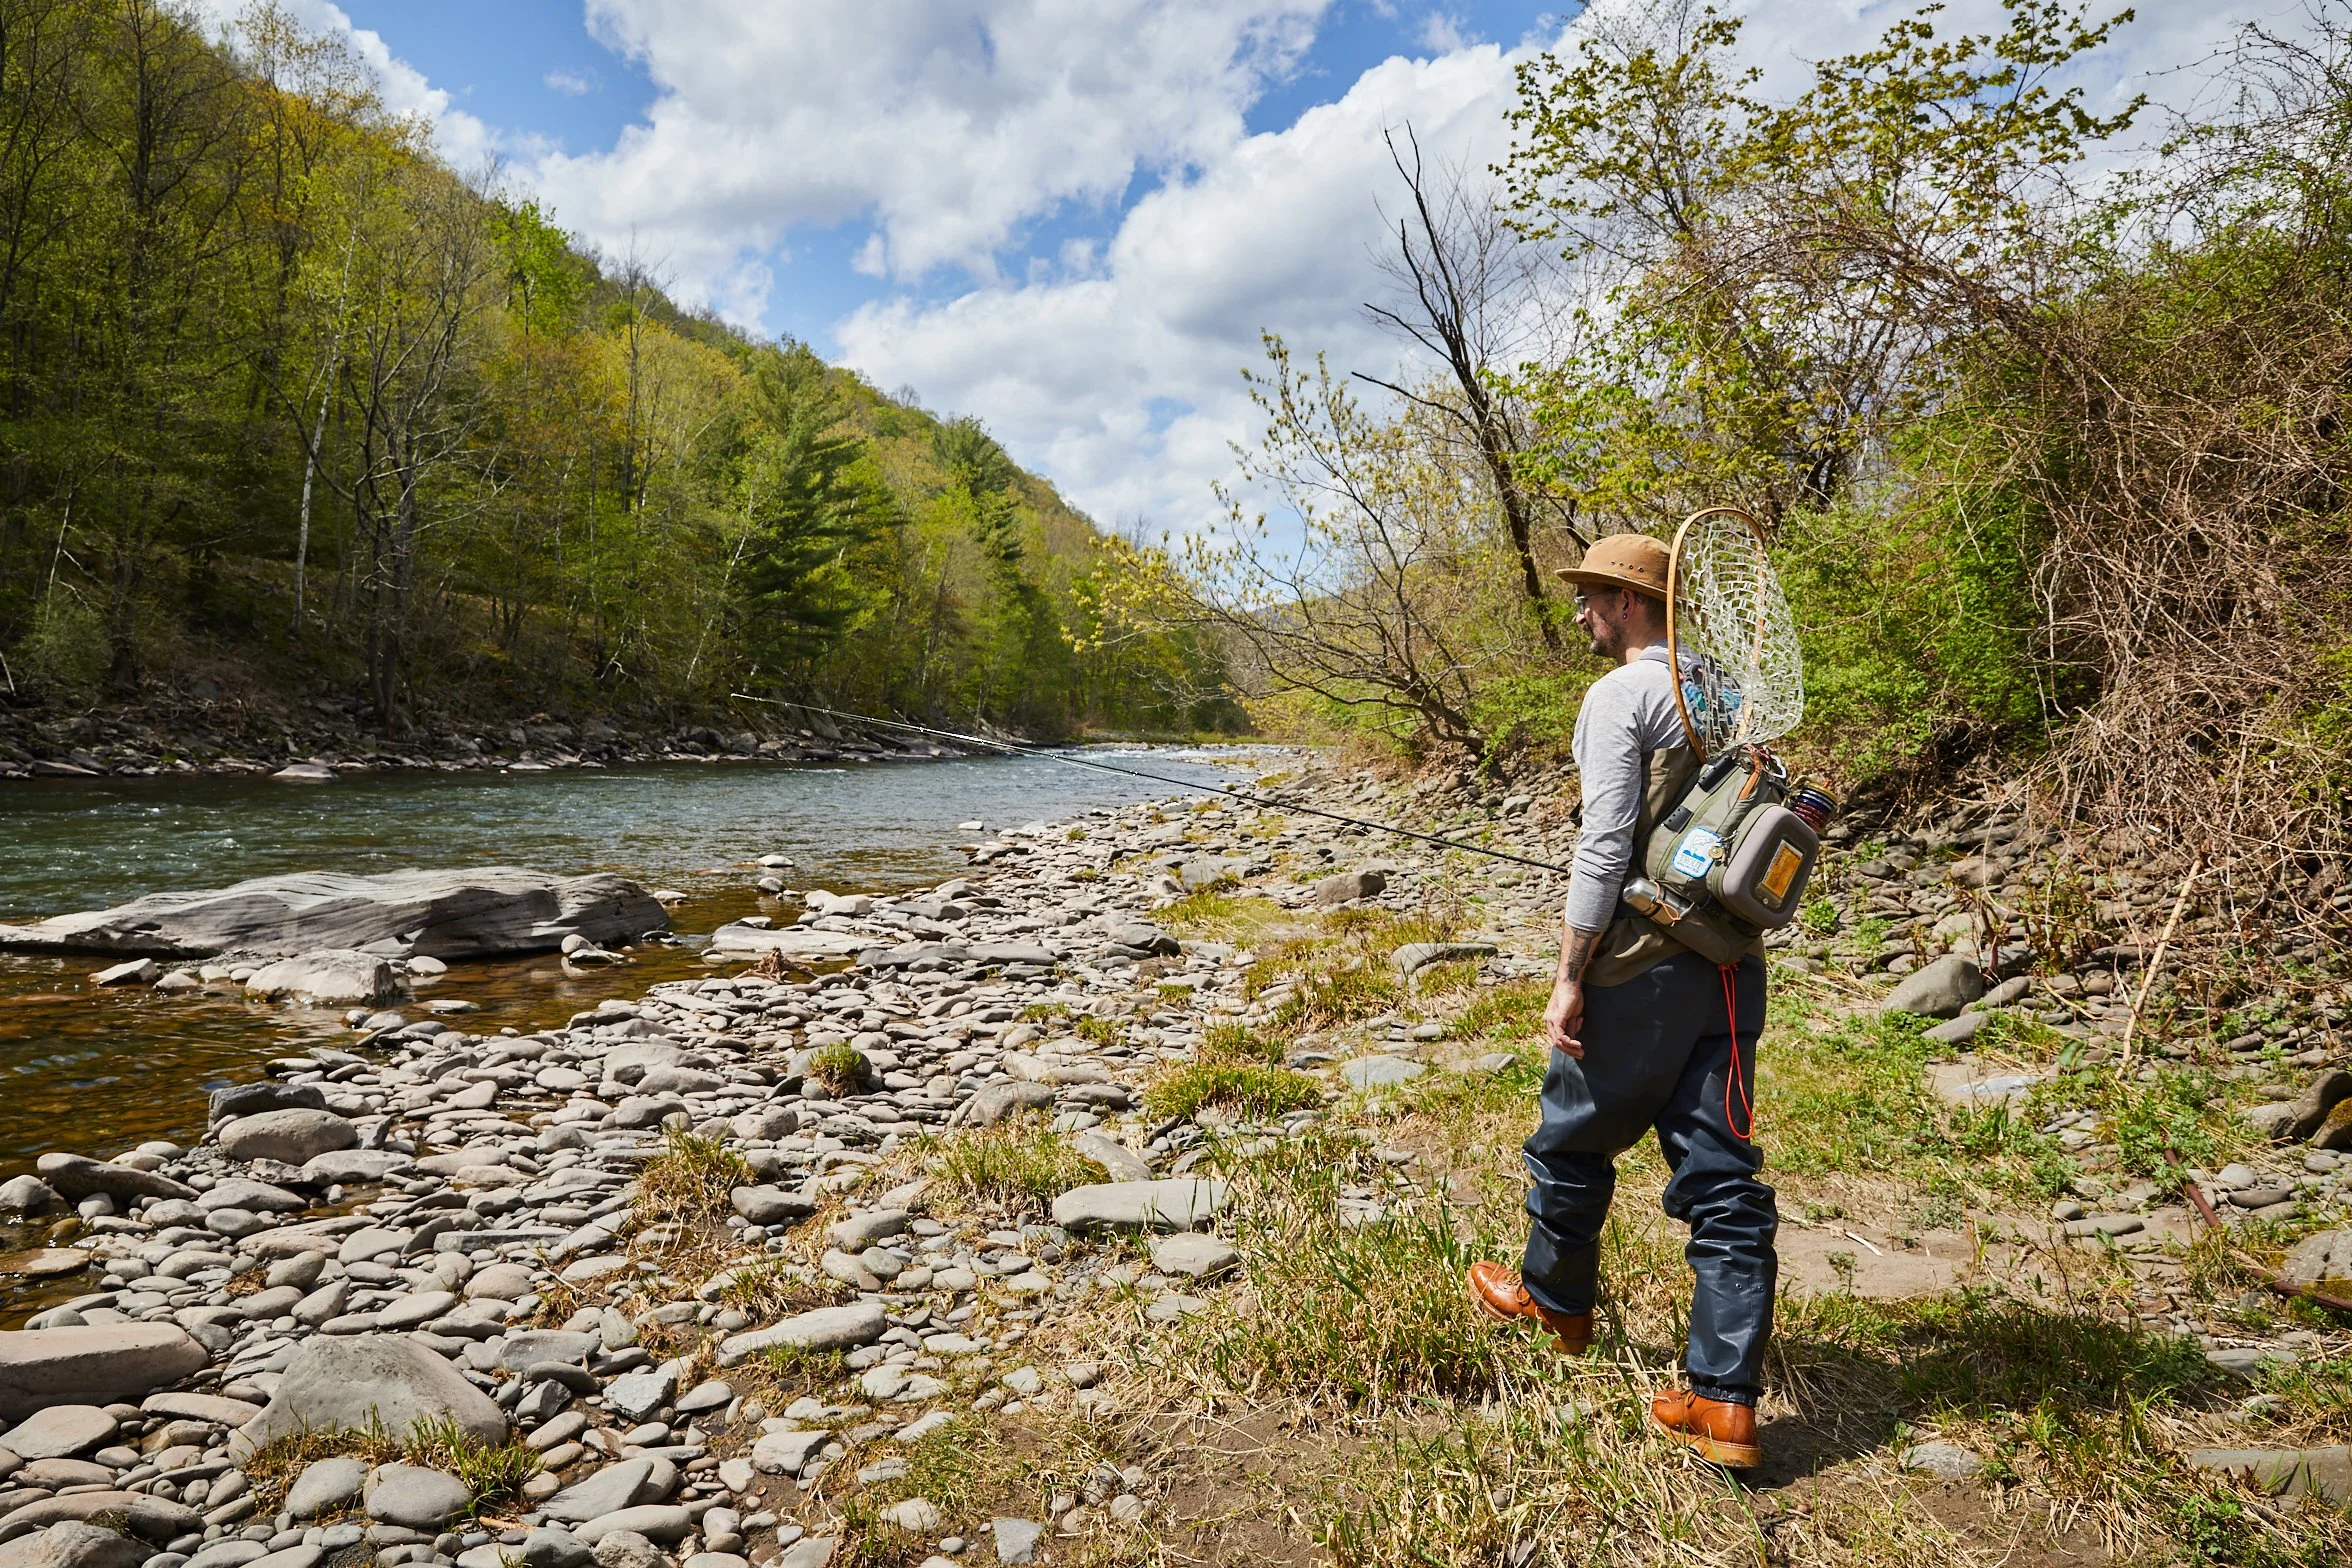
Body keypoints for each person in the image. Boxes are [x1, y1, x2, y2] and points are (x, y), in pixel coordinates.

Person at [1463, 531, 1777, 1469]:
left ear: (1631, 603)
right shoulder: (1730, 693)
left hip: (1638, 965)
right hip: (1732, 966)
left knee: (1570, 1140)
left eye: (1592, 598)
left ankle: (1555, 1303)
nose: (1580, 614)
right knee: (1722, 1175)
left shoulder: (1621, 695)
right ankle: (1724, 1402)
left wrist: (1570, 973)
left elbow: (1604, 843)